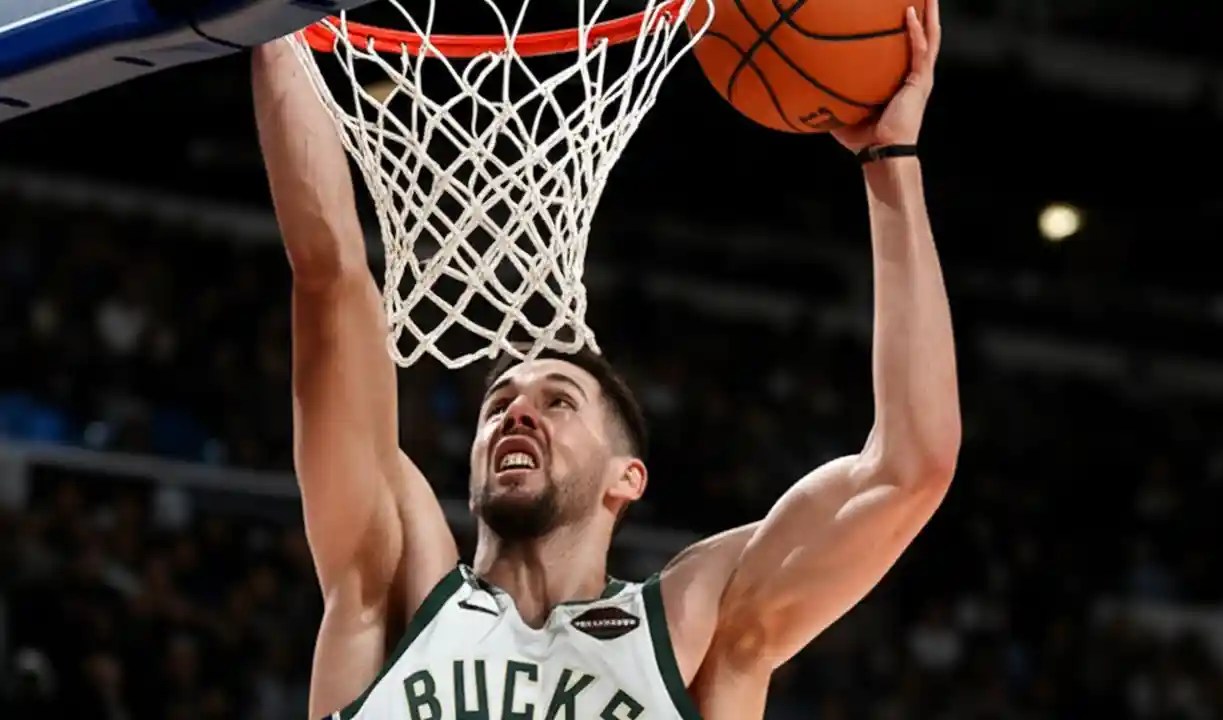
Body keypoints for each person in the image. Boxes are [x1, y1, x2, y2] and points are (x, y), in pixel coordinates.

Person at [250, 0, 957, 717]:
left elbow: (909, 468)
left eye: (557, 400)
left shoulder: (692, 627)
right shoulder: (395, 581)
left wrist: (889, 162)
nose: (516, 411)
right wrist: (270, 24)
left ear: (630, 478)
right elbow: (330, 273)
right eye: (498, 406)